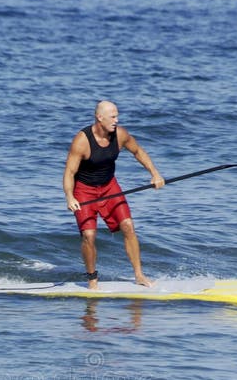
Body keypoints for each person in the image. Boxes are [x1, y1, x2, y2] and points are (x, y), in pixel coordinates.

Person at [63, 100, 165, 288]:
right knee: (89, 235)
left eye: (117, 116)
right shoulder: (82, 141)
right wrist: (70, 196)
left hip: (109, 186)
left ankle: (139, 275)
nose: (116, 120)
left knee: (128, 226)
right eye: (113, 117)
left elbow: (138, 151)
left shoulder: (120, 135)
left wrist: (155, 174)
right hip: (84, 190)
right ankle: (92, 280)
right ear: (99, 118)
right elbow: (69, 172)